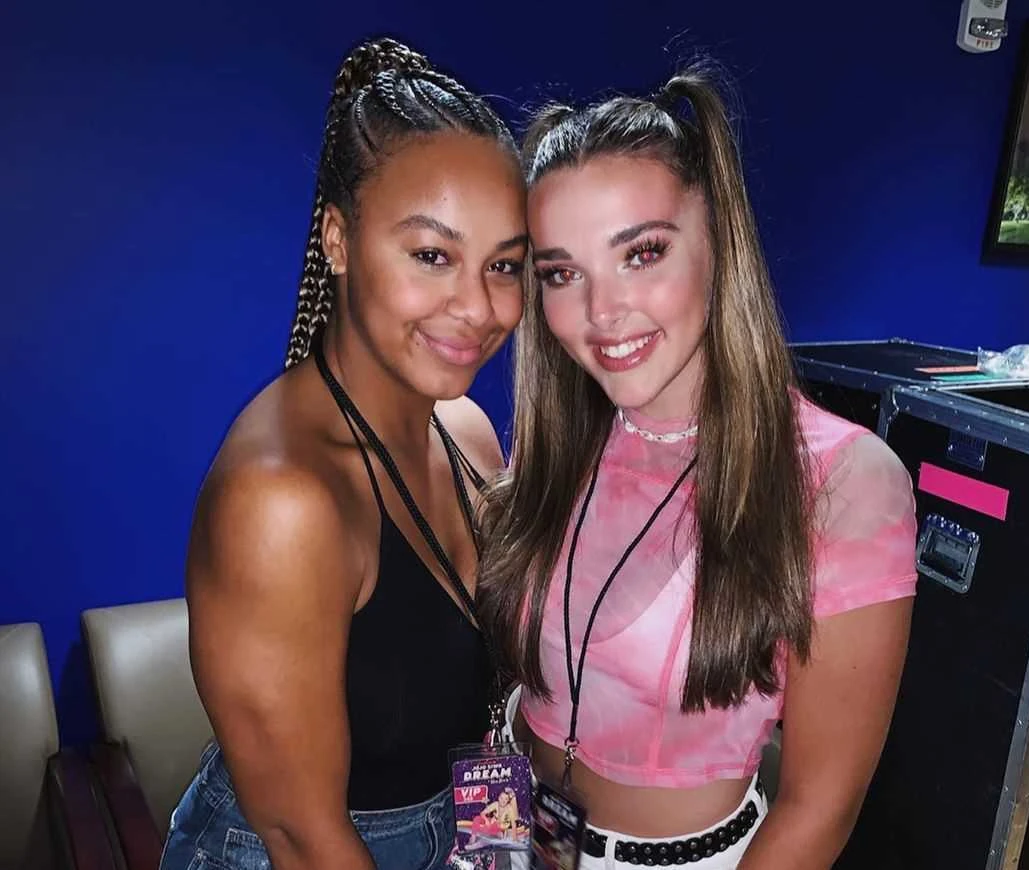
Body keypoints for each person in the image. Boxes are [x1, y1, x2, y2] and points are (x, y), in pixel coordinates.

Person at [478, 62, 917, 869]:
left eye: (641, 253)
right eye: (562, 273)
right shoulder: (561, 442)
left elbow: (819, 809)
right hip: (516, 833)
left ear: (718, 241)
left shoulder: (842, 481)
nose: (601, 313)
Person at [160, 37, 527, 870]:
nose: (479, 307)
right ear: (337, 239)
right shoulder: (283, 501)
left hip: (452, 826)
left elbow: (486, 711)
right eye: (432, 255)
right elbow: (302, 838)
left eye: (504, 264)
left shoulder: (466, 431)